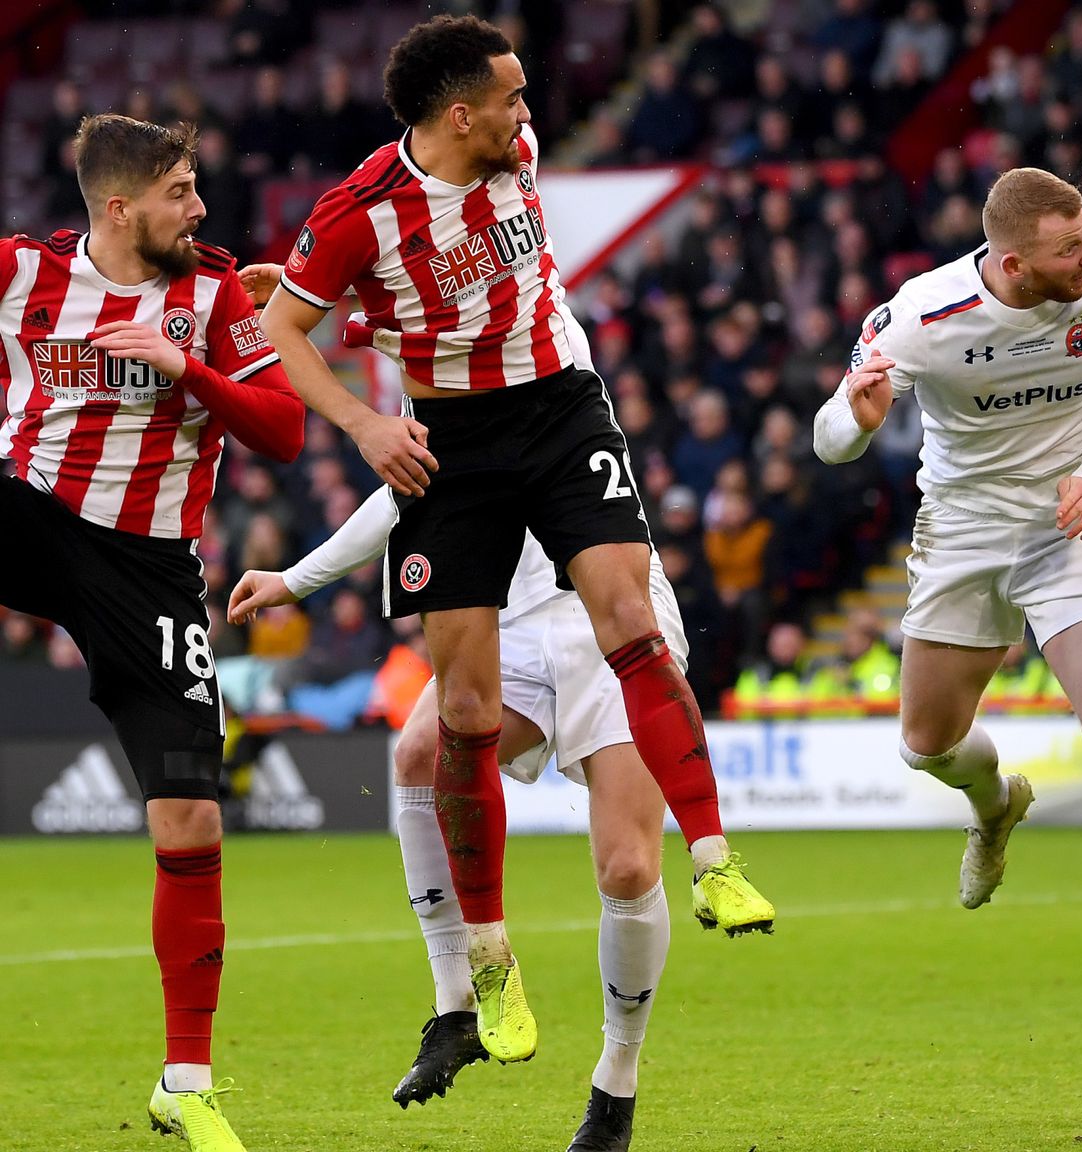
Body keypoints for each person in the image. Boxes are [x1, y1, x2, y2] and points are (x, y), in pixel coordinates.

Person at [257, 17, 731, 1106]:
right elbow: (394, 410)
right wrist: (345, 322)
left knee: (627, 865)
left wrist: (355, 312)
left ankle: (615, 1083)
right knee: (422, 752)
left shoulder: (547, 320)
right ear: (460, 112)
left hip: (594, 610)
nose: (530, 115)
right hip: (506, 616)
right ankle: (461, 999)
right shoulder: (383, 228)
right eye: (512, 97)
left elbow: (455, 300)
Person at [813, 167, 1082, 1001]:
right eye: (1069, 247)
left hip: (1068, 523)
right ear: (1014, 264)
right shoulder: (921, 316)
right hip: (962, 530)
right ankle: (994, 806)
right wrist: (856, 421)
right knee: (927, 745)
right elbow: (826, 438)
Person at [0, 114, 306, 1151]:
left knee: (191, 824)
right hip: (35, 517)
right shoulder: (21, 272)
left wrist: (187, 371)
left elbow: (284, 431)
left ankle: (186, 1082)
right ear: (122, 208)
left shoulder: (215, 295)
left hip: (152, 570)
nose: (202, 207)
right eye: (182, 191)